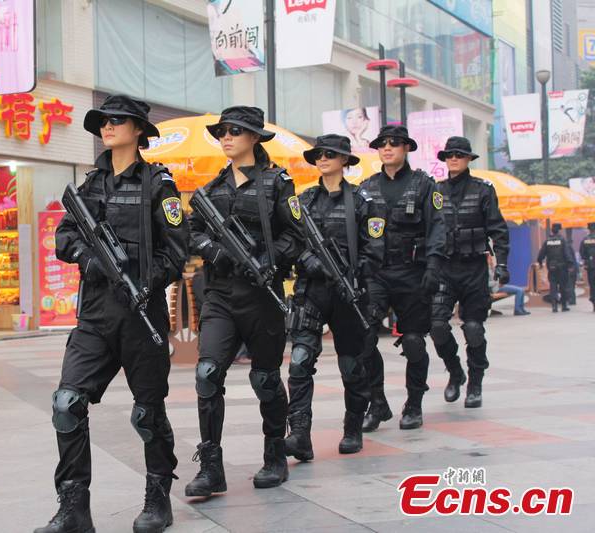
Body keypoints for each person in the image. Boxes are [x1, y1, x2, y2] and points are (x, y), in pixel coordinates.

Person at [36, 95, 189, 533]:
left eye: (118, 121)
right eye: (103, 121)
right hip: (96, 315)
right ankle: (73, 509)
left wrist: (144, 280)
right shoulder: (90, 186)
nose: (108, 127)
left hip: (142, 313)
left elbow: (177, 254)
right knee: (67, 403)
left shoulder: (160, 185)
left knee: (148, 413)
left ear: (139, 129)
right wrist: (89, 259)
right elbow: (63, 236)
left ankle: (159, 499)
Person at [186, 106, 303, 497]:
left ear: (255, 137)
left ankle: (274, 456)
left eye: (235, 131)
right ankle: (211, 468)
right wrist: (213, 251)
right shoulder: (210, 189)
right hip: (220, 294)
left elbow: (297, 235)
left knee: (266, 378)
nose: (226, 137)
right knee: (206, 375)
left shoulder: (277, 184)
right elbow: (190, 232)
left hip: (262, 295)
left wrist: (273, 260)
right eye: (222, 131)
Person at [285, 135, 384, 459]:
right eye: (319, 154)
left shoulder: (364, 201)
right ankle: (299, 434)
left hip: (349, 294)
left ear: (345, 161)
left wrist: (356, 276)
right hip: (312, 291)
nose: (323, 159)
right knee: (299, 362)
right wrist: (307, 261)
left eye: (330, 154)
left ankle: (353, 427)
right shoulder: (304, 200)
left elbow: (376, 249)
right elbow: (291, 243)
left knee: (352, 367)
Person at [359, 125, 446, 431]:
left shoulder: (424, 185)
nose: (387, 148)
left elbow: (437, 227)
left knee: (413, 342)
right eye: (382, 143)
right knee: (364, 337)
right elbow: (357, 232)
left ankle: (414, 404)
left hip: (413, 273)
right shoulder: (366, 188)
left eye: (394, 143)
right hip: (376, 274)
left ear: (406, 148)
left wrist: (434, 265)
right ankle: (377, 402)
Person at [429, 137, 510, 409]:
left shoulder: (483, 190)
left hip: (474, 268)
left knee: (474, 328)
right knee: (437, 326)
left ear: (468, 159)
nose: (453, 158)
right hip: (444, 268)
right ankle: (455, 371)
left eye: (459, 155)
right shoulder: (435, 191)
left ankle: (475, 383)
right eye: (449, 154)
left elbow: (498, 229)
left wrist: (502, 263)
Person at [538, 223, 576, 313]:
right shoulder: (562, 240)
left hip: (552, 267)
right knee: (563, 286)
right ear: (559, 230)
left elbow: (541, 254)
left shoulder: (547, 241)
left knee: (553, 287)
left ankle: (554, 306)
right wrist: (570, 264)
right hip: (562, 267)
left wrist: (540, 262)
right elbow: (567, 253)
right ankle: (563, 306)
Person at [580, 222, 595, 312]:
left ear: (589, 229)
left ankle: (594, 304)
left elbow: (582, 253)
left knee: (592, 286)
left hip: (591, 267)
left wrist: (587, 259)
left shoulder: (585, 240)